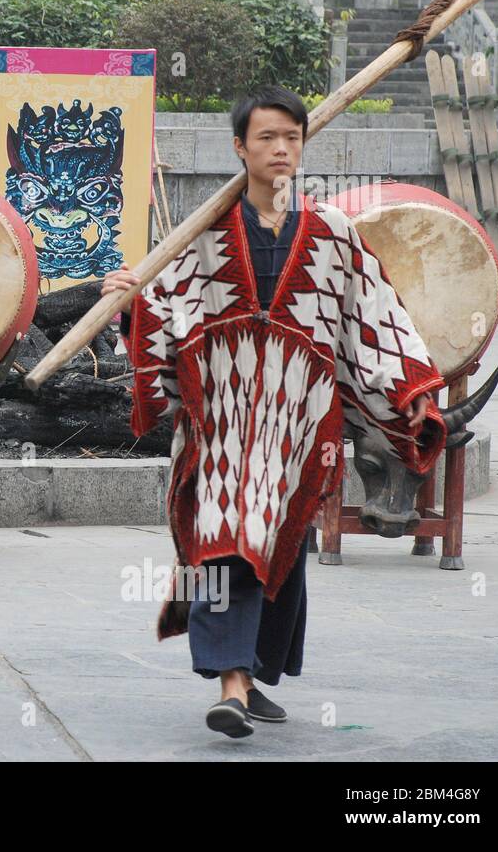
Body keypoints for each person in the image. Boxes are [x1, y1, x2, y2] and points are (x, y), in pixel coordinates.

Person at [103, 85, 447, 738]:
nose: (281, 148)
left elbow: (373, 319)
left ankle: (251, 670)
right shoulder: (200, 232)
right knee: (228, 541)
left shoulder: (333, 235)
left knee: (283, 544)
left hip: (300, 431)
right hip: (224, 426)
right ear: (241, 147)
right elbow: (165, 312)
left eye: (291, 136)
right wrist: (132, 299)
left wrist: (410, 395)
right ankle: (232, 685)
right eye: (266, 137)